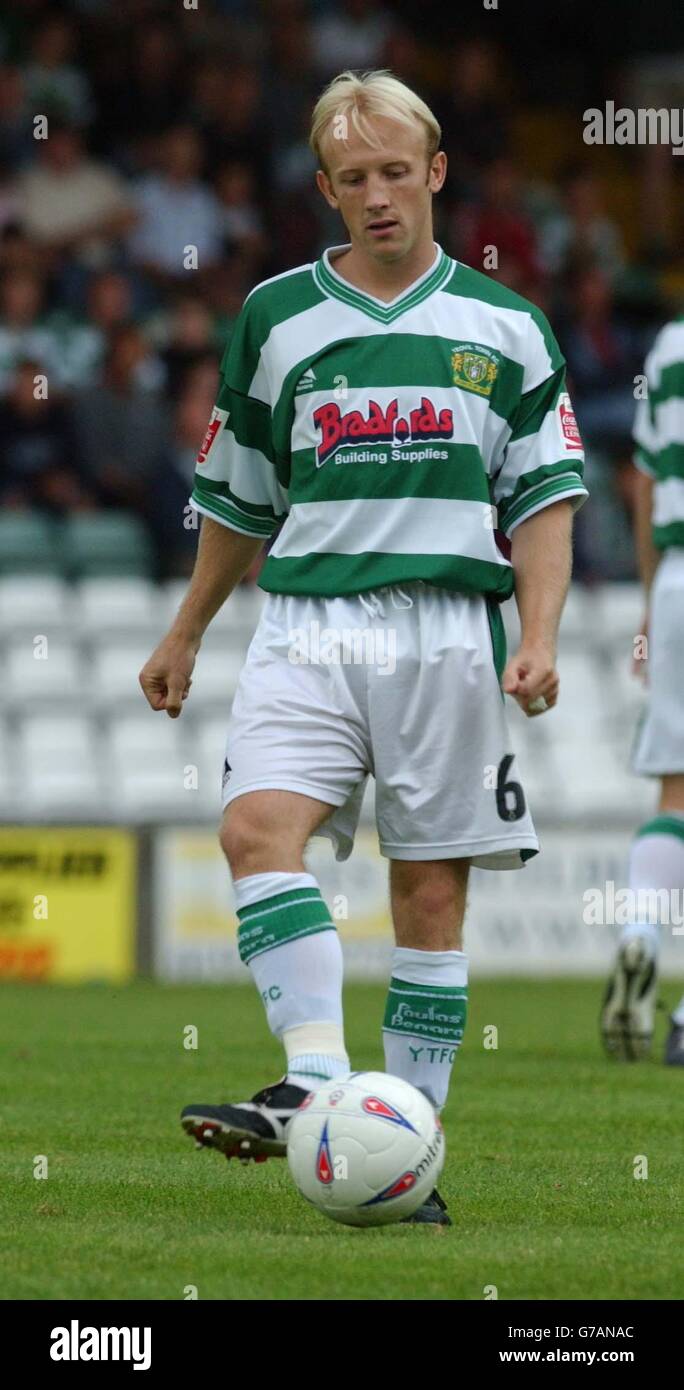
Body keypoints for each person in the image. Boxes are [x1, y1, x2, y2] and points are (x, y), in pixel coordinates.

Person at [139, 70, 588, 1226]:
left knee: (428, 897)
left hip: (447, 626)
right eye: (354, 180)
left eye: (398, 172)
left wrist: (538, 637)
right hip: (307, 623)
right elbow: (239, 499)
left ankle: (411, 1149)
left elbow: (543, 498)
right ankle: (317, 1080)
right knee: (254, 830)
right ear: (329, 193)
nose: (379, 196)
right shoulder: (276, 317)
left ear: (435, 173)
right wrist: (187, 628)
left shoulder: (506, 325)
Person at [600, 317, 684, 1065]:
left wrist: (654, 606)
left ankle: (639, 937)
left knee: (675, 793)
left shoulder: (666, 348)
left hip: (678, 583)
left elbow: (646, 483)